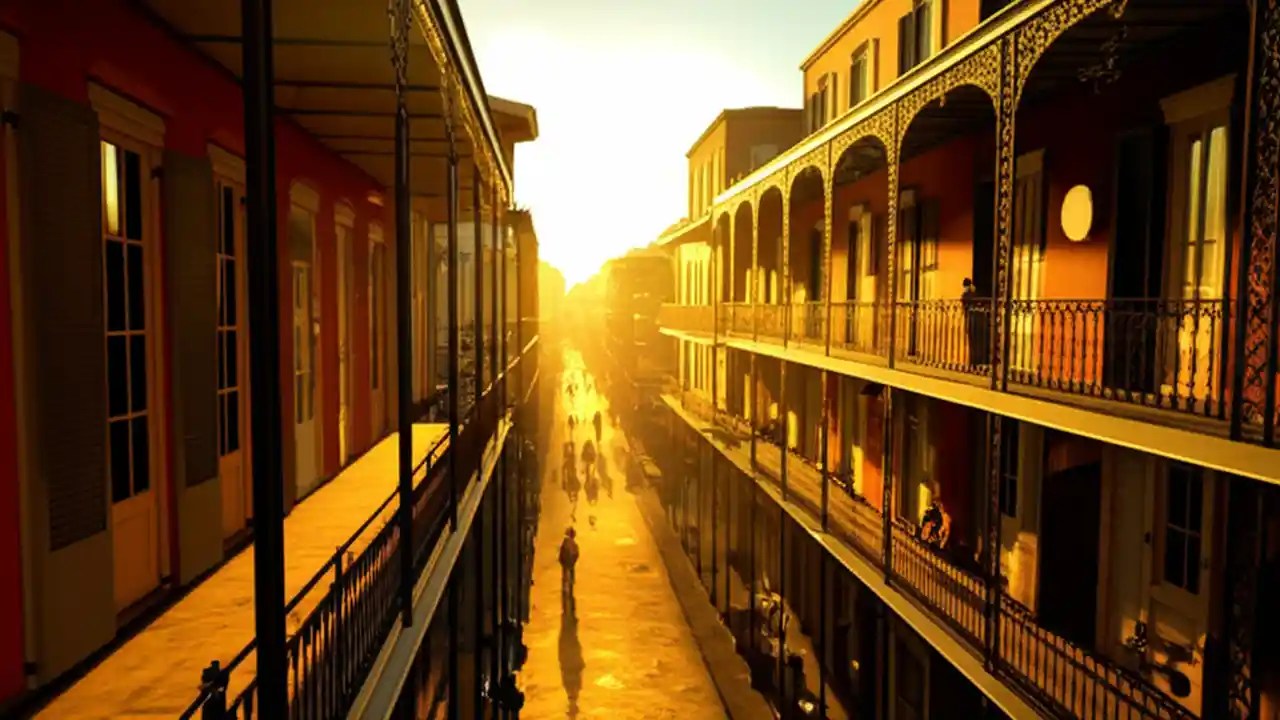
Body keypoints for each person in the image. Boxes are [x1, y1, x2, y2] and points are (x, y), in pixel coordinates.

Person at [559, 527, 580, 594]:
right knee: (570, 571)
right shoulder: (574, 544)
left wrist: (561, 559)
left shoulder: (566, 542)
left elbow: (562, 551)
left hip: (566, 561)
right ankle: (570, 584)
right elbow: (576, 553)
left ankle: (566, 586)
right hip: (570, 561)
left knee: (565, 573)